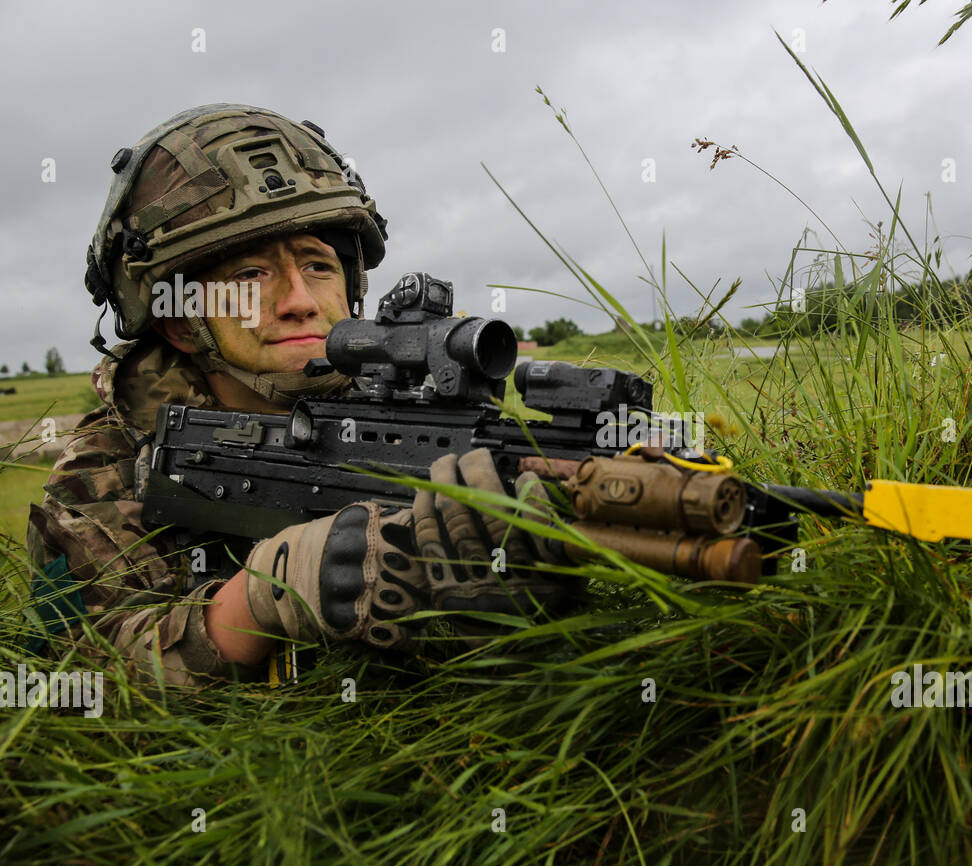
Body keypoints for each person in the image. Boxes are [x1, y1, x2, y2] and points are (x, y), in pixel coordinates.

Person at [27, 104, 579, 688]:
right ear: (180, 322)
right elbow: (67, 685)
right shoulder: (105, 473)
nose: (300, 300)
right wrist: (255, 603)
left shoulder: (424, 416)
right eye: (249, 276)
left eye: (318, 265)